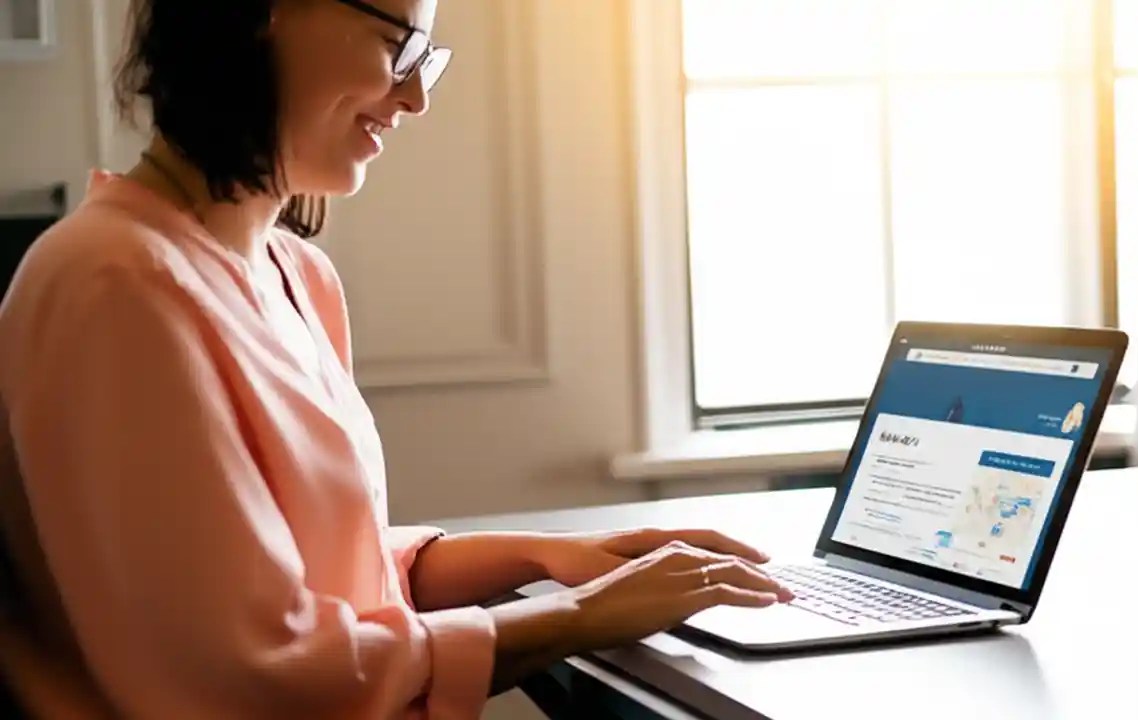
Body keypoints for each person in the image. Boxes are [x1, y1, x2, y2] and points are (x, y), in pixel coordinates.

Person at [0, 1, 792, 717]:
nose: (414, 99)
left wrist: (554, 557)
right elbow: (252, 677)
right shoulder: (113, 284)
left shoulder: (295, 274)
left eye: (426, 58)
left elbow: (309, 575)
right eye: (396, 46)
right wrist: (576, 617)